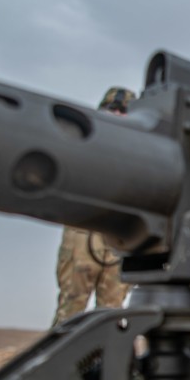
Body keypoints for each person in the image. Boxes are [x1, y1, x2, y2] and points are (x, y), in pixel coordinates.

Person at [50, 87, 135, 326]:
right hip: (83, 234)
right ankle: (60, 361)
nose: (117, 115)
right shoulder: (83, 141)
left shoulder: (138, 150)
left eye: (123, 111)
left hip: (118, 238)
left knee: (111, 315)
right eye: (112, 109)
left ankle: (105, 364)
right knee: (71, 310)